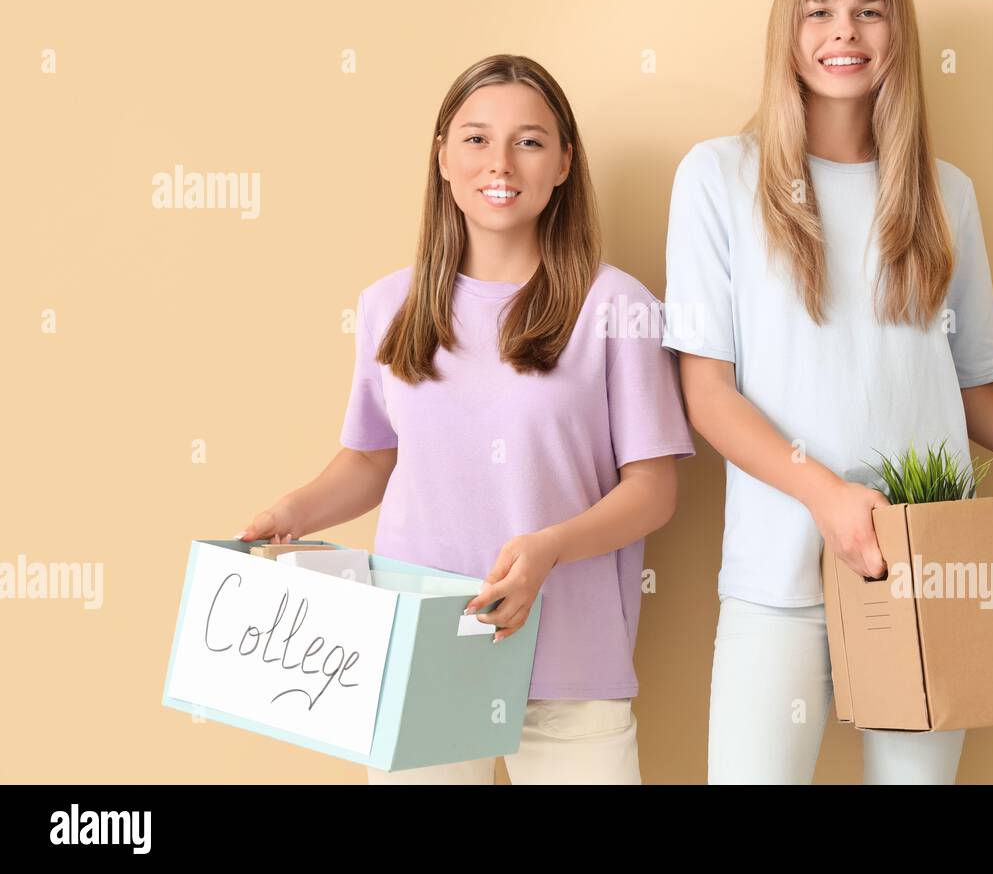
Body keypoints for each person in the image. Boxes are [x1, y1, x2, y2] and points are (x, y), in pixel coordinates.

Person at [661, 0, 993, 784]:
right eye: (819, 12)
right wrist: (829, 498)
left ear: (898, 36)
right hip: (780, 569)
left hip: (931, 570)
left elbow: (972, 386)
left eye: (868, 12)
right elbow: (707, 393)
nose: (843, 32)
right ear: (789, 32)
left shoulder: (943, 193)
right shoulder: (717, 178)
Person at [236, 54, 695, 784]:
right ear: (442, 158)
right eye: (476, 139)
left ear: (565, 163)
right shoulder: (391, 304)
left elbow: (654, 491)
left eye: (531, 141)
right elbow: (371, 460)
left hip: (571, 664)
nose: (501, 162)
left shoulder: (618, 306)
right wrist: (292, 510)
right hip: (421, 655)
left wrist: (548, 547)